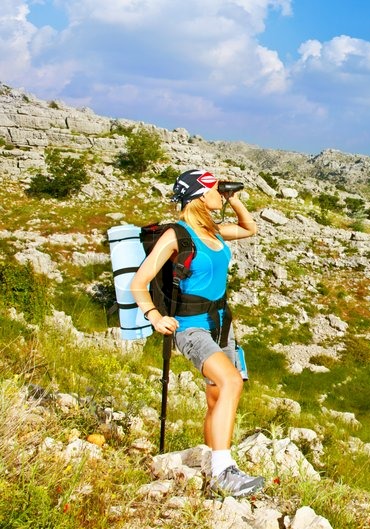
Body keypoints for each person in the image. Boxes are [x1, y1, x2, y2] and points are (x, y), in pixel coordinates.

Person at [130, 169, 264, 497]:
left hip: (221, 323)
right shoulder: (177, 235)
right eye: (216, 188)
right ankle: (223, 470)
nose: (221, 192)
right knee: (231, 381)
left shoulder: (214, 231)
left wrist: (233, 198)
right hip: (191, 327)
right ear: (200, 195)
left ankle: (210, 468)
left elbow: (250, 228)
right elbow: (139, 282)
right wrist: (154, 316)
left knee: (218, 397)